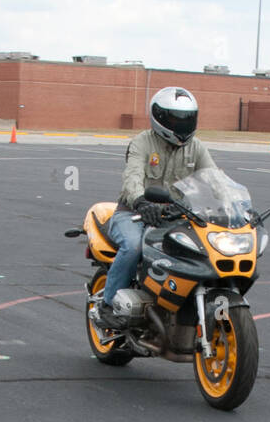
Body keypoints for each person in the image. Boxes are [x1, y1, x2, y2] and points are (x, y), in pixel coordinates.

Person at [91, 86, 219, 328]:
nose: (182, 124)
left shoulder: (196, 148)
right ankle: (107, 306)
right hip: (133, 214)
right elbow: (132, 177)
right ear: (159, 117)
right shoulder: (142, 142)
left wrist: (235, 206)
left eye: (187, 118)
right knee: (132, 247)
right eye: (175, 118)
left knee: (201, 251)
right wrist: (141, 201)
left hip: (176, 216)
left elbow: (214, 178)